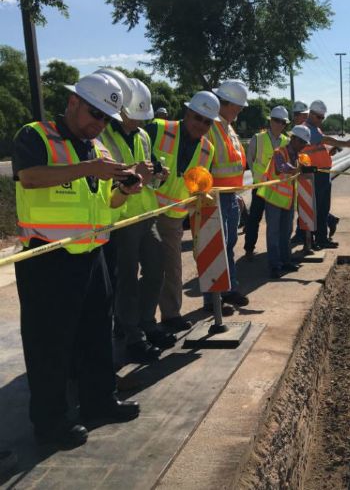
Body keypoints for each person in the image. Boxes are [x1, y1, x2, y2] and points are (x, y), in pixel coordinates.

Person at [12, 73, 142, 447]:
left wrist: (125, 190)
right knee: (50, 346)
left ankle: (99, 401)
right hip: (47, 257)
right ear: (73, 102)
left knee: (96, 334)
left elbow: (108, 203)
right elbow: (30, 177)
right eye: (94, 113)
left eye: (106, 118)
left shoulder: (98, 149)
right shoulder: (36, 136)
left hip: (91, 253)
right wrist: (89, 169)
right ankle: (50, 423)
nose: (99, 124)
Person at [96, 69, 175, 363]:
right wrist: (136, 171)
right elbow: (103, 176)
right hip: (121, 217)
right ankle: (132, 335)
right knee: (127, 279)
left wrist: (156, 175)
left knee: (156, 269)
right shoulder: (102, 135)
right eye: (136, 116)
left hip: (146, 214)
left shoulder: (142, 136)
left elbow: (146, 176)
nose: (141, 122)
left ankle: (146, 322)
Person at [146, 91, 217, 332]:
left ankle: (171, 315)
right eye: (198, 118)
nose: (201, 125)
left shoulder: (207, 149)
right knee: (138, 271)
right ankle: (133, 325)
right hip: (143, 210)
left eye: (207, 122)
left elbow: (199, 183)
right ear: (187, 113)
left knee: (172, 270)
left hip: (174, 216)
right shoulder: (158, 129)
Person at [203, 80, 250, 314]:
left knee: (229, 244)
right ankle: (213, 298)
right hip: (214, 197)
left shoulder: (227, 127)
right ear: (227, 103)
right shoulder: (210, 126)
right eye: (238, 106)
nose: (240, 111)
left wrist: (236, 193)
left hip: (229, 196)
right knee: (214, 247)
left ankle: (228, 288)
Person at [301, 100, 350, 248]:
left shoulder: (316, 128)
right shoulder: (306, 129)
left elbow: (318, 147)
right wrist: (346, 144)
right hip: (314, 175)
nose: (321, 120)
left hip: (324, 174)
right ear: (311, 114)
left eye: (322, 118)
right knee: (316, 209)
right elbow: (324, 139)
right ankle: (313, 240)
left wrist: (329, 152)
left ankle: (322, 238)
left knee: (323, 209)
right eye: (318, 117)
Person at [258, 125, 311, 278]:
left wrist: (305, 169)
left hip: (287, 200)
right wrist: (298, 169)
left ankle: (286, 261)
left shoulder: (298, 156)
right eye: (302, 142)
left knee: (286, 232)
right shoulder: (279, 152)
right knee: (273, 233)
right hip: (274, 199)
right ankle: (275, 265)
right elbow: (282, 167)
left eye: (305, 143)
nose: (303, 146)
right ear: (293, 139)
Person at [243, 106, 289, 260]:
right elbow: (250, 159)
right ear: (270, 121)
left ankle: (276, 252)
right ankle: (249, 249)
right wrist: (258, 176)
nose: (279, 124)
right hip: (260, 187)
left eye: (282, 122)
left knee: (275, 222)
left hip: (277, 189)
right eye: (276, 120)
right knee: (254, 218)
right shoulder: (258, 138)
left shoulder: (286, 141)